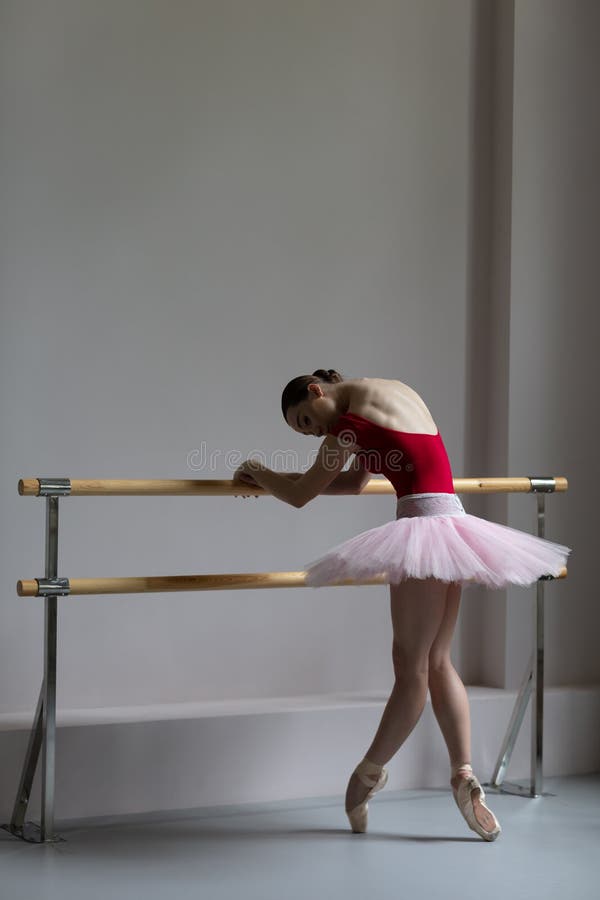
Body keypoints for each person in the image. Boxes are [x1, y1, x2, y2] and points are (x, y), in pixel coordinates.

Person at [232, 370, 572, 842]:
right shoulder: (390, 390)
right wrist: (276, 480)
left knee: (410, 668)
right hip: (451, 519)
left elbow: (300, 495)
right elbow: (350, 484)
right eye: (306, 431)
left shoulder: (347, 427)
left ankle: (366, 775)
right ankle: (463, 776)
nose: (315, 433)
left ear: (317, 390)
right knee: (436, 661)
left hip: (422, 527)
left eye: (308, 420)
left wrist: (257, 470)